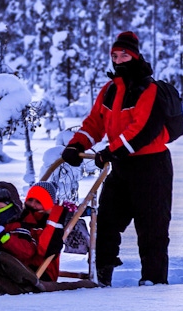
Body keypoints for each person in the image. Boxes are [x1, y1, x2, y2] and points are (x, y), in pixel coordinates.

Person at [61, 30, 174, 287]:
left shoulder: (149, 89)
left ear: (135, 56)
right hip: (121, 167)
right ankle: (103, 279)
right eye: (115, 55)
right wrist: (77, 144)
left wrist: (111, 151)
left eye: (125, 55)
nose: (119, 59)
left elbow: (141, 130)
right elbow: (94, 123)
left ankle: (154, 285)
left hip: (152, 168)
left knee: (152, 232)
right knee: (107, 225)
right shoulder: (110, 90)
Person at [19, 181, 69, 282]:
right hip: (20, 265)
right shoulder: (22, 217)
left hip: (43, 271)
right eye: (30, 200)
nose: (33, 204)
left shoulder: (51, 223)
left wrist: (54, 215)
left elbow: (45, 250)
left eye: (38, 202)